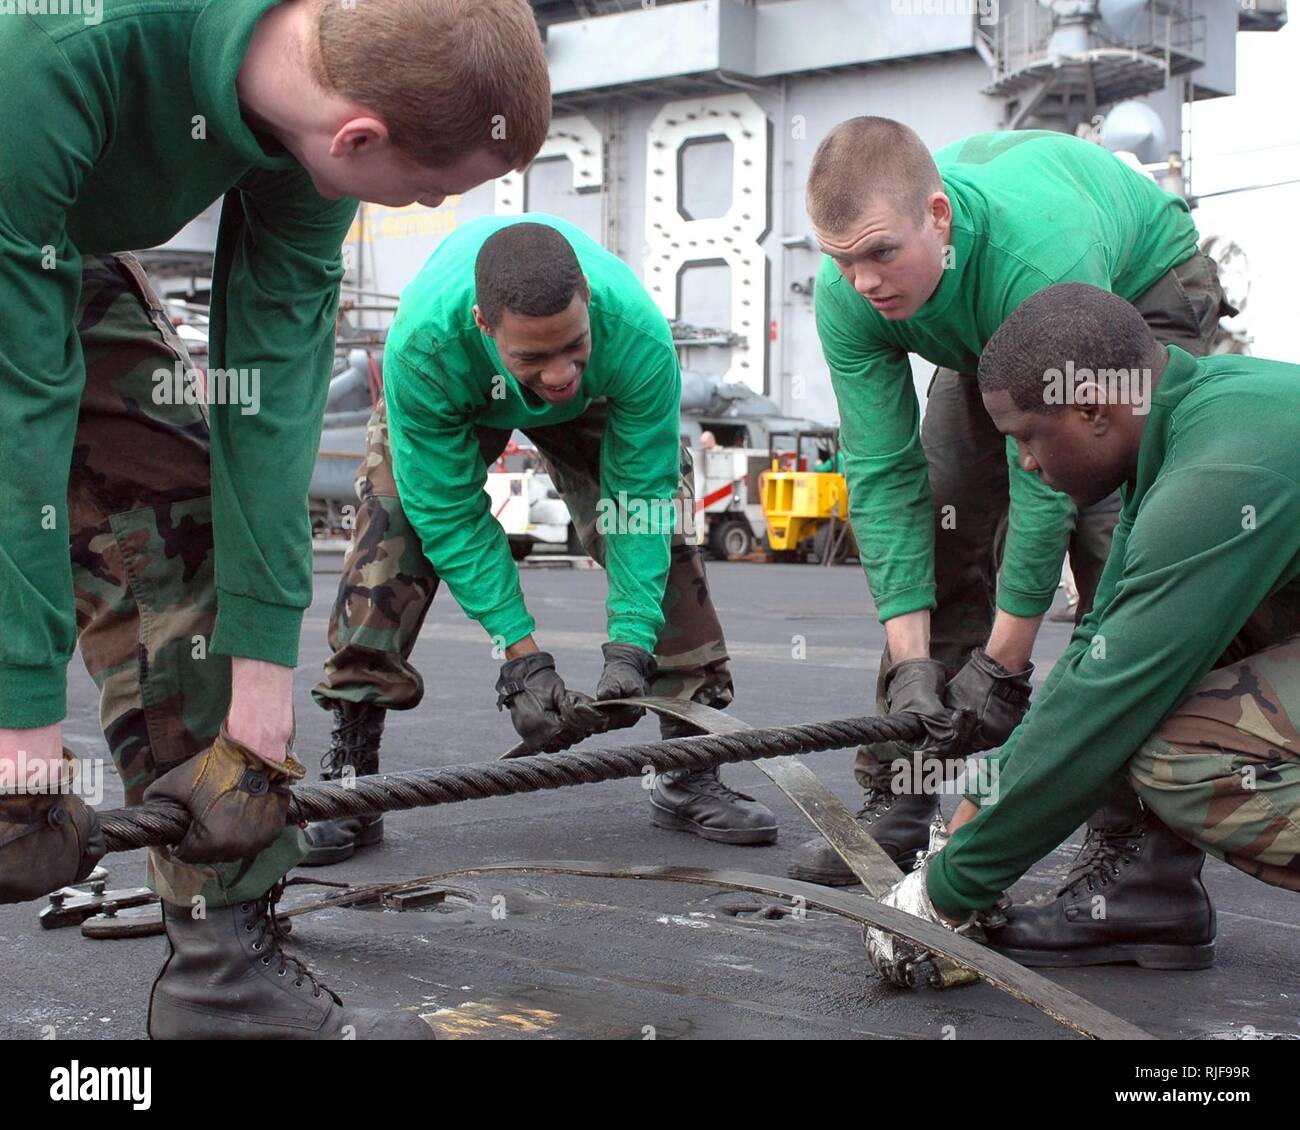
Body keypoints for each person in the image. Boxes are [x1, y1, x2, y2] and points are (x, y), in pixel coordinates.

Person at [0, 0, 551, 1039]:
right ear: (360, 138)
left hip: (49, 236)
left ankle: (222, 969)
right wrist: (22, 738)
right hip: (9, 162)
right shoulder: (55, 54)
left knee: (178, 513)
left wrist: (260, 695)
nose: (430, 202)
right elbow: (13, 416)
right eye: (430, 188)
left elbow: (269, 395)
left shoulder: (312, 128)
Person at [798, 116, 1233, 965]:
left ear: (938, 216)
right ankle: (904, 781)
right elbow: (885, 477)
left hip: (1137, 293)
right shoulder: (849, 287)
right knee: (950, 501)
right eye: (841, 258)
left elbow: (1046, 485)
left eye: (879, 253)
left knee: (1120, 545)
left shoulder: (1037, 255)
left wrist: (1004, 664)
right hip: (990, 325)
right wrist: (915, 660)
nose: (862, 280)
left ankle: (1145, 877)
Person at [305, 215, 777, 865]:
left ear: (587, 299)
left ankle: (685, 763)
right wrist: (520, 658)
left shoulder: (636, 336)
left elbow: (637, 502)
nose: (557, 375)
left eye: (572, 346)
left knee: (660, 523)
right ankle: (351, 771)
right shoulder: (425, 347)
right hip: (459, 396)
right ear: (483, 325)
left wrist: (632, 645)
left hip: (598, 404)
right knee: (395, 521)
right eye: (534, 356)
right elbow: (449, 515)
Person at [867, 283, 1298, 984]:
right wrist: (982, 801)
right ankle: (1147, 897)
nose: (1028, 466)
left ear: (1092, 407)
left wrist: (946, 895)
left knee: (1183, 756)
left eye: (1028, 439)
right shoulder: (1189, 419)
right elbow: (1101, 639)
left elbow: (1109, 702)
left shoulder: (1218, 476)